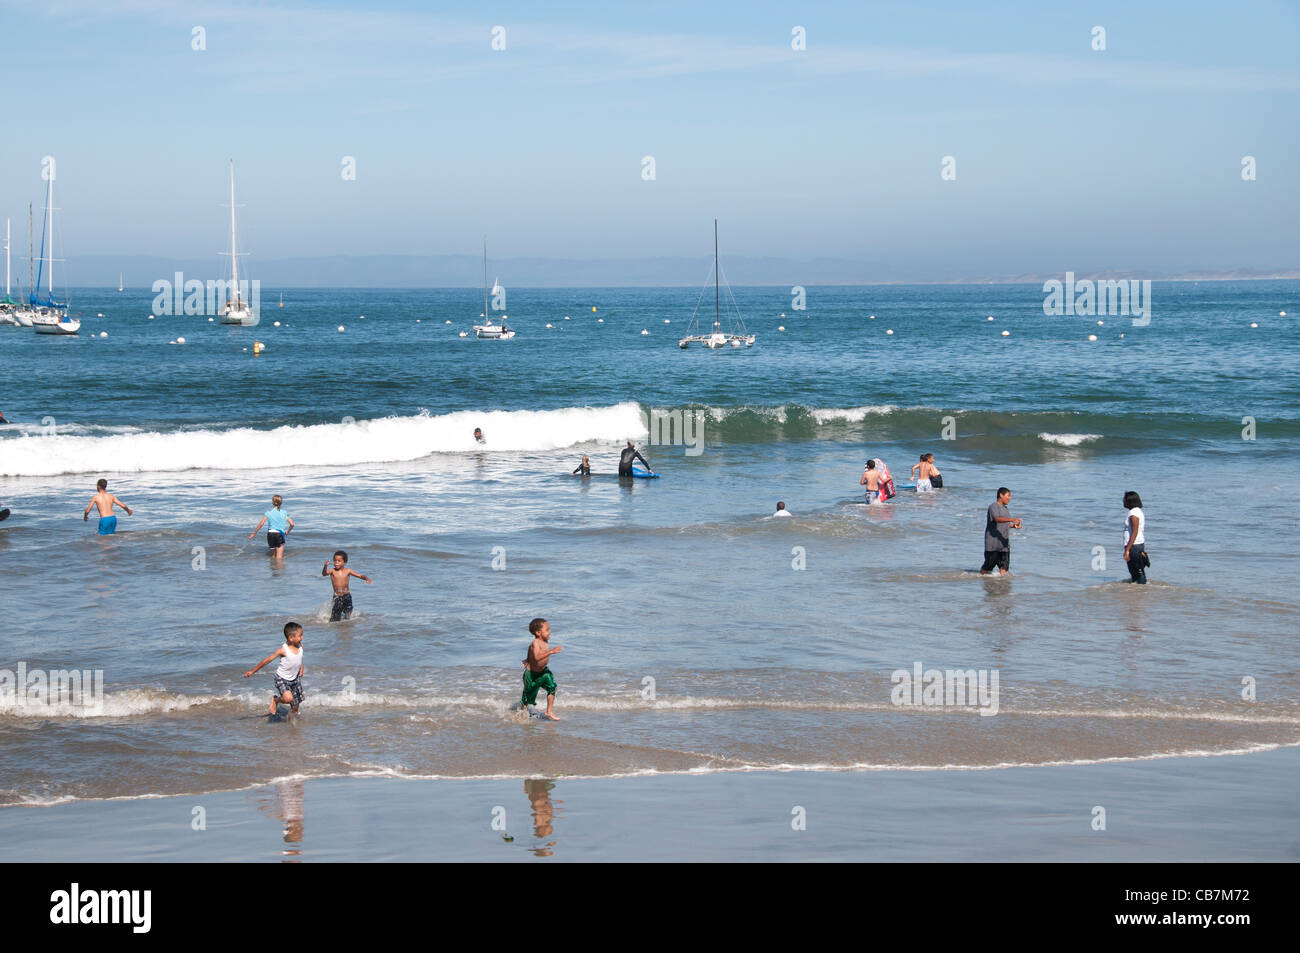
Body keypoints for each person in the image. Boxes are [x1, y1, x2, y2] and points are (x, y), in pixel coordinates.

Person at [243, 621, 305, 717]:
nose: (302, 637)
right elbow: (267, 660)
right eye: (300, 635)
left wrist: (301, 668)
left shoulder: (300, 646)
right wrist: (252, 671)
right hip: (282, 678)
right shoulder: (283, 650)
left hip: (295, 679)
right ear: (291, 638)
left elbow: (299, 657)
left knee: (295, 708)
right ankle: (276, 700)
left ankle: (291, 727)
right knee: (288, 698)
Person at [520, 617, 563, 721]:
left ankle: (549, 711)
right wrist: (551, 652)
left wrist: (527, 659)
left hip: (543, 672)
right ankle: (521, 712)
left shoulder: (545, 642)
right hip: (532, 675)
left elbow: (531, 652)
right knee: (527, 697)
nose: (550, 632)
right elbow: (537, 657)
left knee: (552, 687)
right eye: (547, 630)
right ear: (538, 632)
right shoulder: (536, 643)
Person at [980, 487, 1021, 575]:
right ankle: (981, 581)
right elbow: (997, 519)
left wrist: (1013, 526)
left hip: (1004, 544)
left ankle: (1003, 586)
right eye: (1008, 496)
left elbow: (1004, 524)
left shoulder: (1006, 509)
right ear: (1001, 495)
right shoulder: (993, 506)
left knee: (1004, 568)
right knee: (988, 566)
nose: (1010, 498)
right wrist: (1012, 519)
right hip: (993, 544)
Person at [322, 550, 371, 621]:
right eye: (335, 560)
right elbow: (324, 574)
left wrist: (366, 578)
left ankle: (345, 625)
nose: (336, 563)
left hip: (347, 595)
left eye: (339, 561)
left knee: (348, 612)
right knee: (335, 617)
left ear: (344, 562)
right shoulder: (332, 571)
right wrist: (325, 566)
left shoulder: (348, 571)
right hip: (337, 596)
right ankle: (334, 625)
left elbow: (359, 576)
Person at [1123, 491, 1148, 584]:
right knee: (1135, 573)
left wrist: (1127, 550)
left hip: (1134, 546)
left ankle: (1141, 591)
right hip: (1137, 545)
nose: (1123, 502)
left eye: (1124, 500)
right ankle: (1135, 593)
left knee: (1138, 573)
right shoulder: (1137, 511)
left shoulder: (1133, 514)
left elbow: (1134, 532)